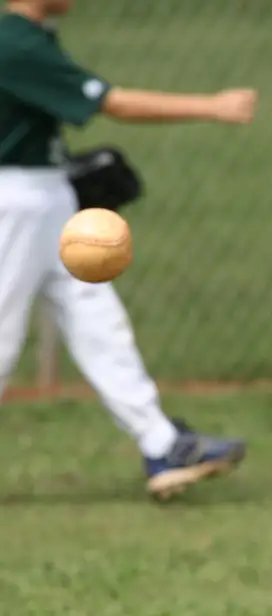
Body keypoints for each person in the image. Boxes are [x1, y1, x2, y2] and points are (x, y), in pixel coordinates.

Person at [0, 0, 255, 499]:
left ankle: (163, 445)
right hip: (15, 203)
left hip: (45, 196)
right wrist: (214, 107)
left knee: (97, 319)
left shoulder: (33, 37)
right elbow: (112, 103)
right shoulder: (14, 43)